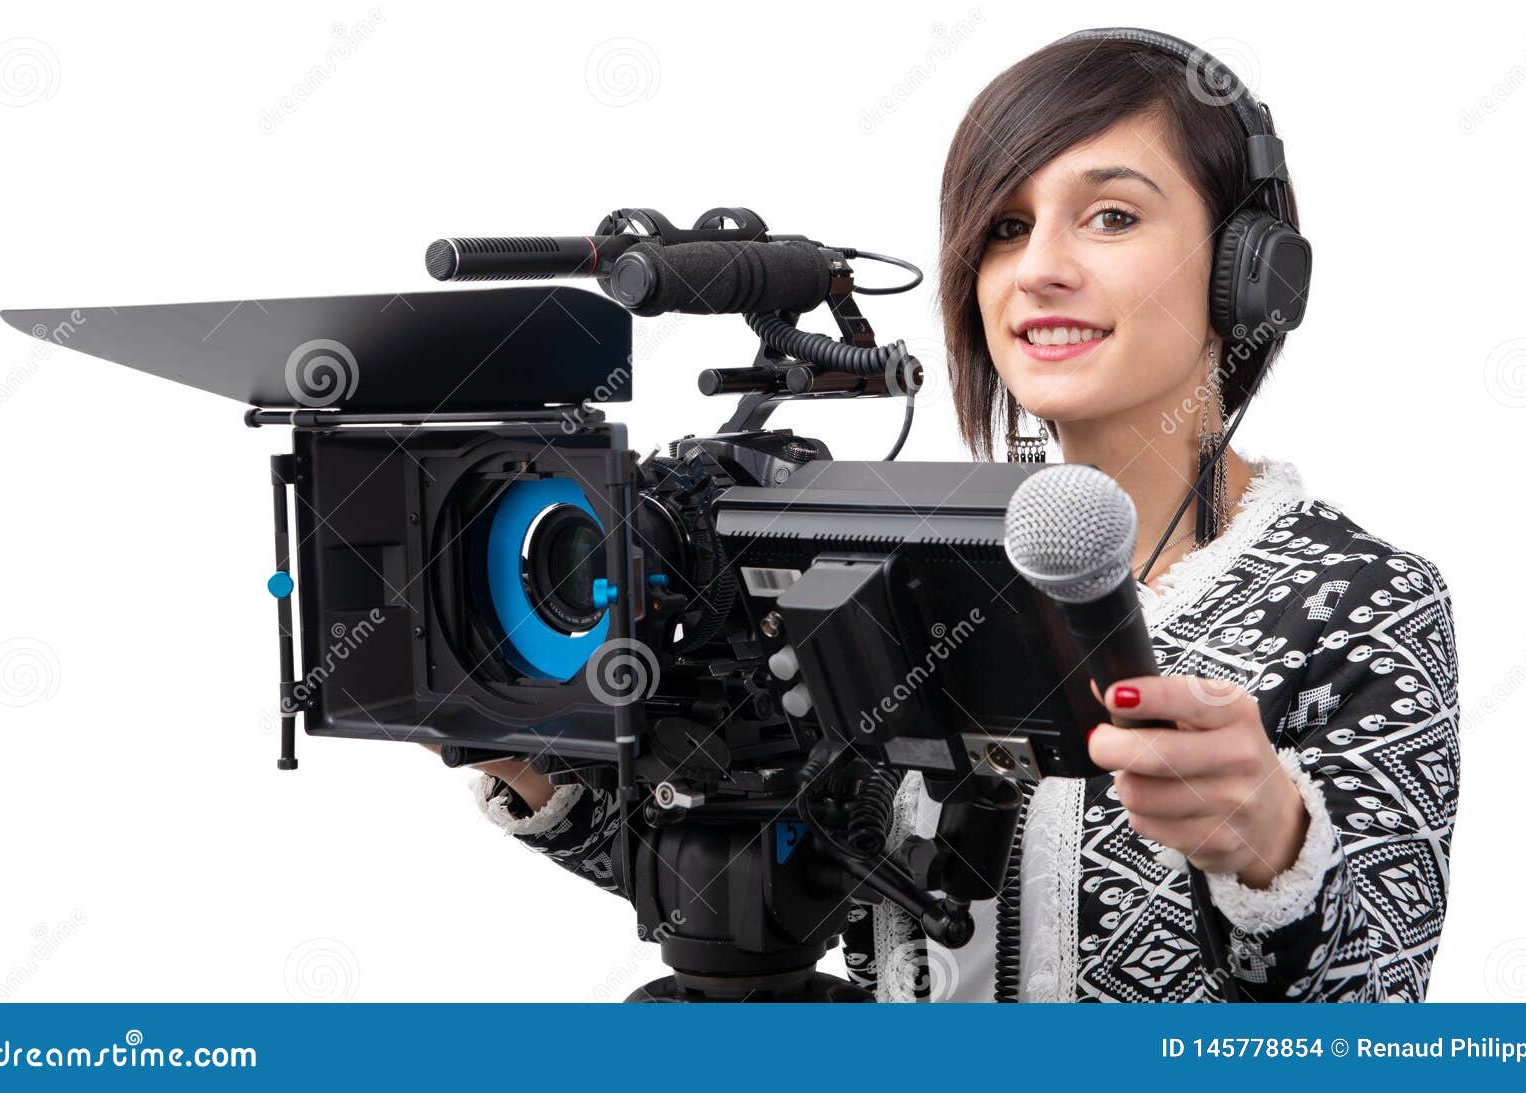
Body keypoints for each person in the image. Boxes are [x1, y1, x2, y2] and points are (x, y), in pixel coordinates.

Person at [446, 29, 1461, 1002]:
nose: (1038, 269)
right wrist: (516, 753)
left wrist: (1272, 852)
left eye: (1111, 216)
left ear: (1250, 270)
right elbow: (760, 897)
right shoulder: (877, 548)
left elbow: (1368, 1018)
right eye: (1005, 228)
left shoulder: (1364, 605)